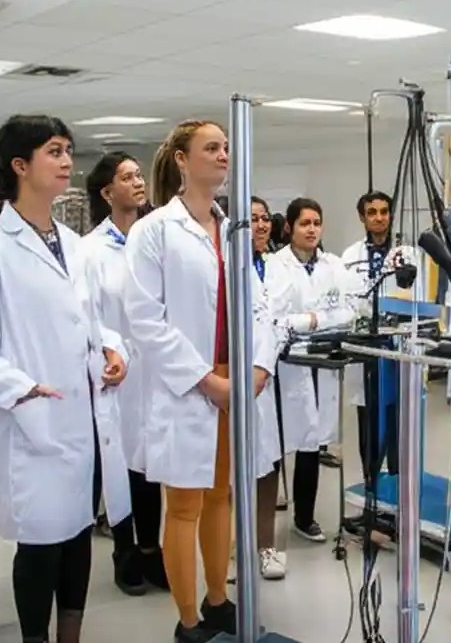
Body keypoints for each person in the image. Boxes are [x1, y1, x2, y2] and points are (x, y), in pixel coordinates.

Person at [0, 115, 133, 643]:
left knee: (77, 537)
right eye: (54, 151)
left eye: (68, 150)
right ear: (20, 165)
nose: (66, 161)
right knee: (40, 546)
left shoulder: (75, 247)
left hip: (84, 417)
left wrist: (113, 352)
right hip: (35, 426)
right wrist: (24, 390)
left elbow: (96, 323)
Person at [124, 120, 278, 642]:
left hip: (235, 379)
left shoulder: (232, 229)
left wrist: (258, 367)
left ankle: (217, 600)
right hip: (188, 385)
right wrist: (206, 382)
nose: (223, 154)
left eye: (227, 147)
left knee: (222, 497)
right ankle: (188, 621)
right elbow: (144, 319)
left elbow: (260, 306)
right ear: (183, 161)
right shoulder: (155, 231)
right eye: (211, 147)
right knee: (185, 505)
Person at [82, 152, 169, 595]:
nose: (138, 183)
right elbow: (89, 315)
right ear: (106, 192)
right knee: (120, 465)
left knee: (151, 465)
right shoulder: (92, 250)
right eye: (127, 177)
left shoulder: (155, 238)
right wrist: (110, 352)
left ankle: (153, 552)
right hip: (116, 374)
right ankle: (124, 552)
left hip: (156, 369)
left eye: (139, 175)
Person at [266, 198, 359, 545]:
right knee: (273, 443)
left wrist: (308, 322)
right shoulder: (275, 265)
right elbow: (274, 318)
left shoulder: (333, 266)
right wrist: (314, 320)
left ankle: (304, 517)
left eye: (316, 223)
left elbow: (350, 311)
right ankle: (264, 519)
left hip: (319, 365)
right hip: (284, 366)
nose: (312, 229)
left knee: (311, 442)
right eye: (304, 223)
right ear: (290, 227)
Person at [339, 191, 399, 484]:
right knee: (369, 423)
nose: (379, 218)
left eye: (384, 211)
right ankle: (372, 485)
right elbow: (347, 300)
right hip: (366, 346)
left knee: (398, 421)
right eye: (372, 212)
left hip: (398, 347)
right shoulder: (350, 257)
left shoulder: (406, 252)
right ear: (362, 217)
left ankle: (399, 487)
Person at [250, 195, 288, 579]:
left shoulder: (277, 267)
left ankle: (265, 546)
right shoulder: (226, 265)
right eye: (253, 219)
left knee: (268, 465)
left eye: (264, 219)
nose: (261, 226)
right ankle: (235, 545)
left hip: (273, 376)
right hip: (237, 375)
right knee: (234, 470)